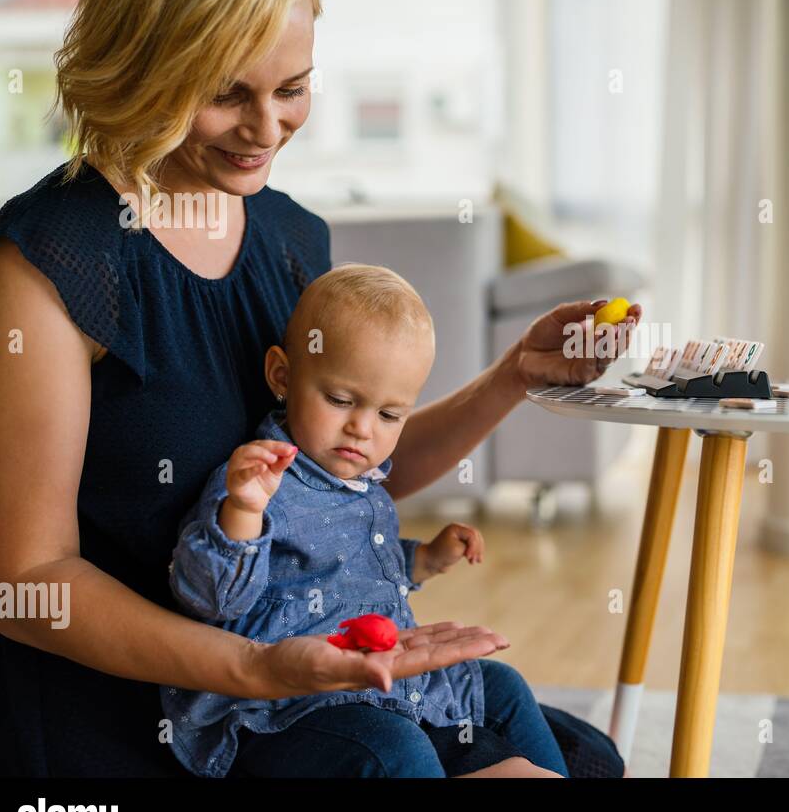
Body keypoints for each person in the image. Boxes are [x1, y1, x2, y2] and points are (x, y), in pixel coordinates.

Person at [0, 0, 639, 777]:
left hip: (307, 676)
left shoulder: (292, 242)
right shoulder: (45, 268)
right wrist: (254, 668)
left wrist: (514, 378)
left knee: (581, 757)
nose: (267, 127)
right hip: (149, 710)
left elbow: (343, 463)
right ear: (141, 65)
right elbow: (25, 586)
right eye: (225, 93)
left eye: (292, 88)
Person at [165, 264, 577, 777]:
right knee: (396, 748)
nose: (361, 429)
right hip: (287, 706)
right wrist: (244, 512)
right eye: (340, 400)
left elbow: (361, 572)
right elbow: (211, 599)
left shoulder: (366, 484)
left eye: (389, 415)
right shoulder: (258, 480)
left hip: (379, 680)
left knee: (500, 686)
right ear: (283, 376)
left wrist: (423, 559)